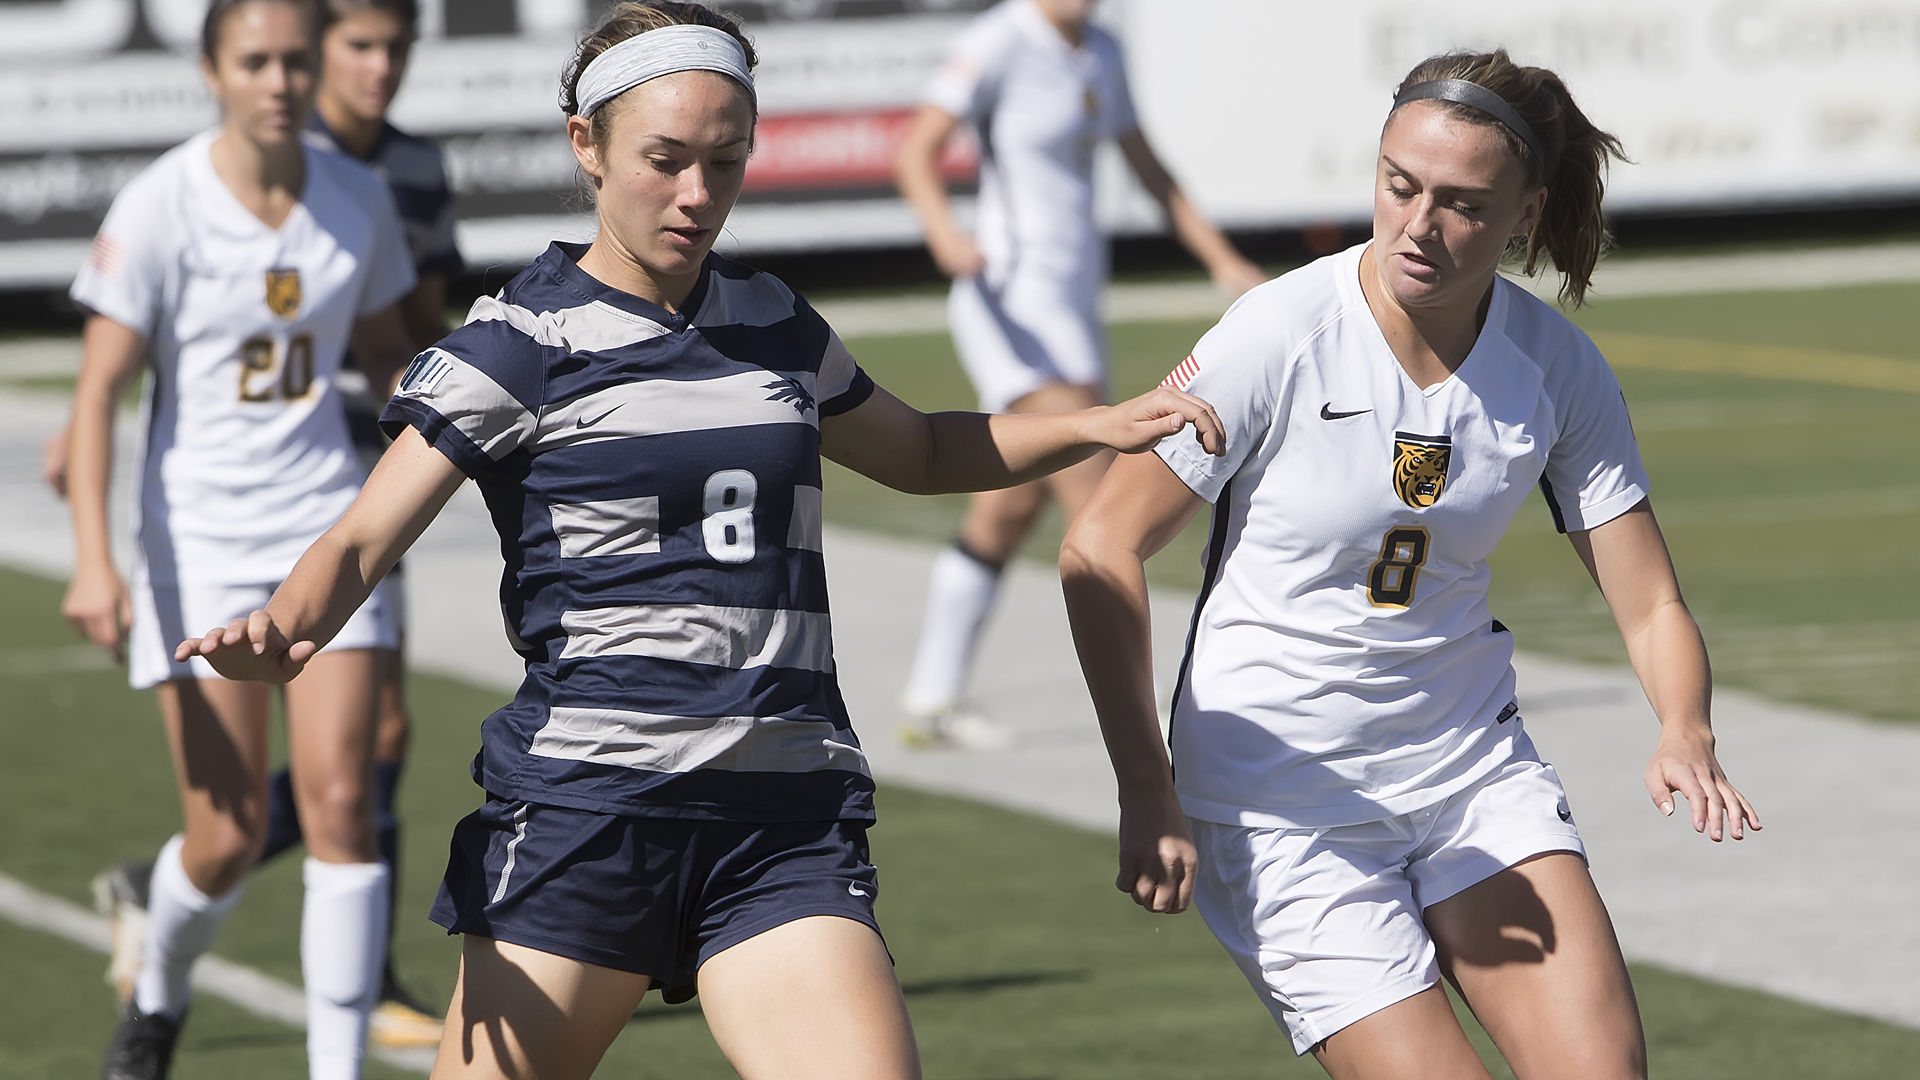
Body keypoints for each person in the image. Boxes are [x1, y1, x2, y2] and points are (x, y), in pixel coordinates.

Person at [178, 4, 1225, 1078]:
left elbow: (918, 451)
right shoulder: (517, 344)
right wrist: (287, 626)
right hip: (591, 816)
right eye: (665, 160)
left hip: (779, 826)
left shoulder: (771, 320)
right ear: (585, 145)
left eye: (726, 162)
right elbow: (360, 540)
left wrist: (1091, 425)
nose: (697, 196)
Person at [1058, 49, 1762, 1080]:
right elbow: (1100, 543)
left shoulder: (1556, 367)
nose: (1419, 226)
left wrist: (1685, 726)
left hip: (1472, 776)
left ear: (1526, 213)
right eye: (1399, 185)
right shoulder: (1279, 334)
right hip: (1282, 800)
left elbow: (1649, 598)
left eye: (1464, 204)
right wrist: (1143, 785)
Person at [76, 0, 459, 1051]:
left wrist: (453, 417)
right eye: (256, 61)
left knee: (344, 803)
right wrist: (95, 565)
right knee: (229, 835)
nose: (280, 81)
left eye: (295, 60)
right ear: (212, 71)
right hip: (195, 540)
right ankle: (158, 994)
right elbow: (99, 389)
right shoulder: (163, 204)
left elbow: (387, 348)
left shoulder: (359, 196)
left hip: (319, 527)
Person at [892, 0, 1266, 749]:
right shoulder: (999, 40)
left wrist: (1225, 261)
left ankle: (930, 702)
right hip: (1013, 307)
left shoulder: (1100, 49)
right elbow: (916, 150)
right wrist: (943, 232)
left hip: (1072, 313)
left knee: (1012, 505)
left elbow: (1150, 168)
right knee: (1105, 499)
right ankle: (1161, 714)